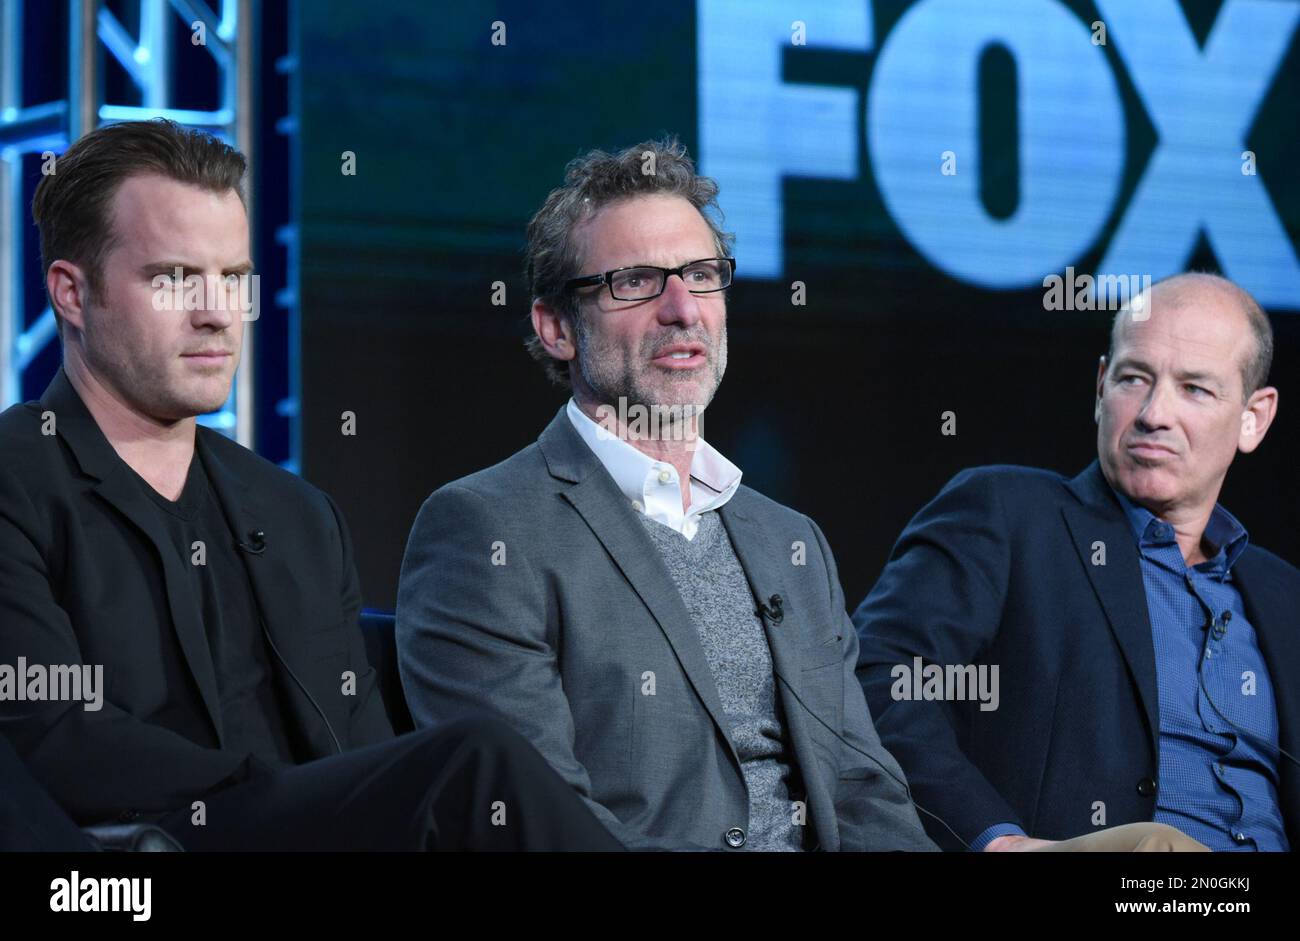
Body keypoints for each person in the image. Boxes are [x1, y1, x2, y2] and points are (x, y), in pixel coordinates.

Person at [0, 118, 621, 852]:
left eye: (233, 279)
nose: (216, 314)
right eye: (173, 278)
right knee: (471, 765)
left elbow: (357, 749)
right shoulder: (19, 474)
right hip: (129, 862)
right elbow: (53, 735)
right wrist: (277, 790)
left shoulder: (294, 513)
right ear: (72, 294)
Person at [396, 138, 936, 852]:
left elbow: (868, 796)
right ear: (557, 327)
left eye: (702, 275)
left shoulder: (789, 539)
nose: (683, 309)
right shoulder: (484, 529)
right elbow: (542, 822)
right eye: (637, 281)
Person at [853, 273, 1296, 851]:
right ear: (1099, 388)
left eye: (1195, 389)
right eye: (1134, 378)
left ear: (1253, 418)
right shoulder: (1010, 515)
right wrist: (999, 841)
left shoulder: (1283, 594)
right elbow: (880, 678)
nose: (1154, 413)